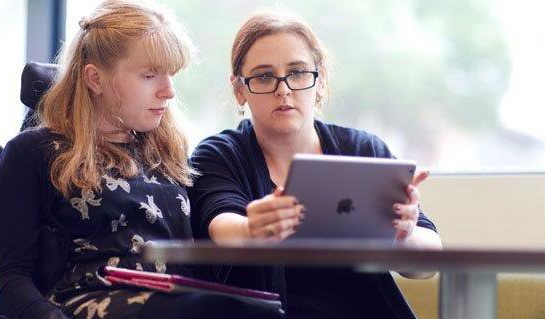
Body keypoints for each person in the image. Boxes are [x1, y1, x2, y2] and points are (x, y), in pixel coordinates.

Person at [0, 1, 280, 318]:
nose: (168, 91)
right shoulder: (34, 152)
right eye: (150, 75)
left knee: (263, 310)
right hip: (87, 302)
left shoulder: (168, 156)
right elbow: (9, 280)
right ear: (94, 79)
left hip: (178, 302)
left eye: (170, 75)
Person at [189, 10, 443, 319]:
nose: (283, 89)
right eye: (265, 76)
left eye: (297, 72)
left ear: (319, 81)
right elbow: (221, 225)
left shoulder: (362, 150)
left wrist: (401, 235)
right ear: (240, 89)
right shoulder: (218, 155)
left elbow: (427, 264)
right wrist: (251, 230)